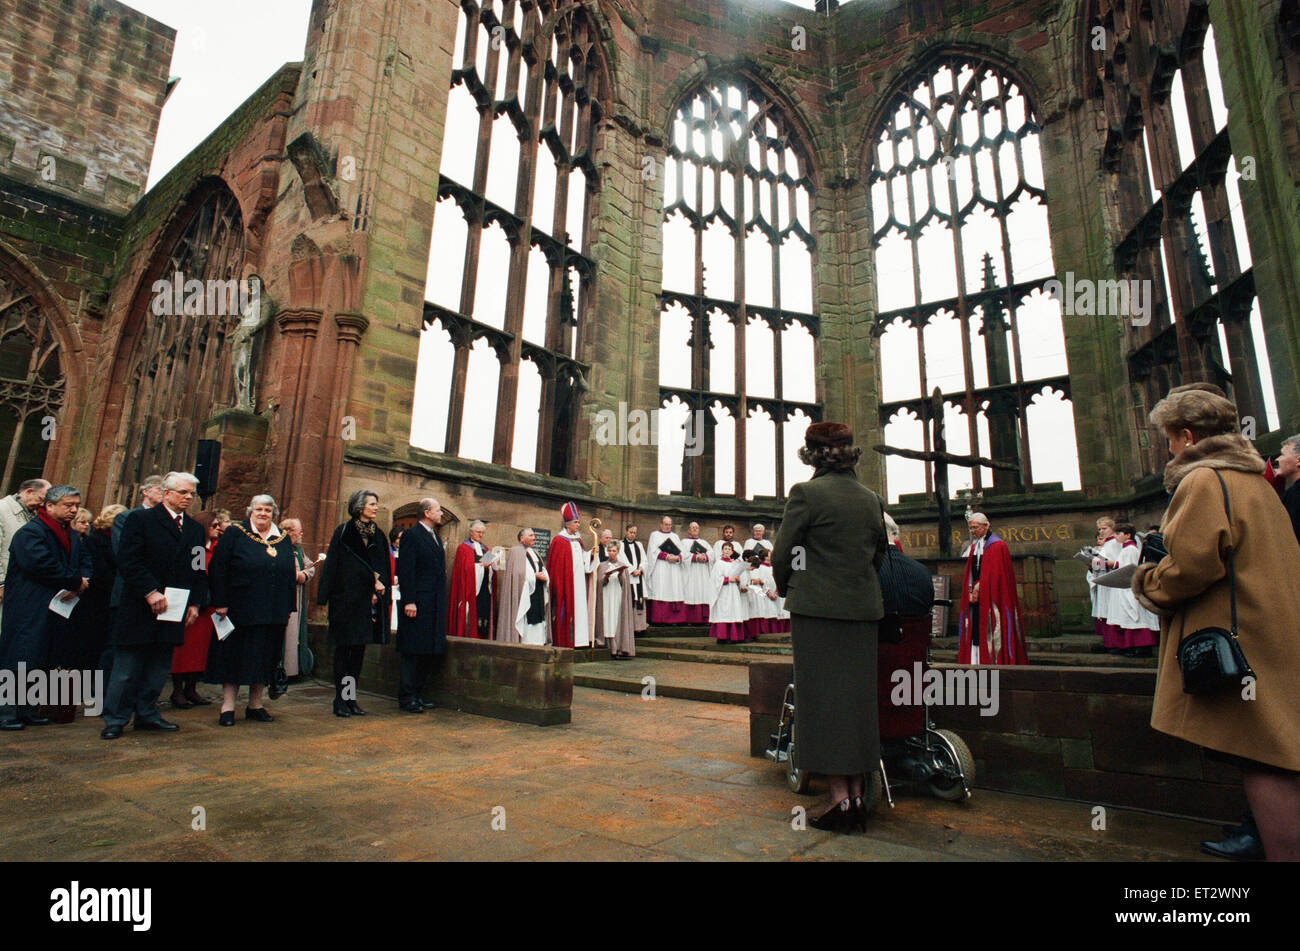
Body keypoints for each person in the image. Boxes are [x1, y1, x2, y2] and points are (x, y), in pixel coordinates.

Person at [1132, 384, 1300, 861]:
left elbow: (1192, 565)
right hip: (1273, 629)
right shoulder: (1255, 481)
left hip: (1242, 640)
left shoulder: (1205, 479)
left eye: (1169, 439)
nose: (1169, 449)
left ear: (1187, 436)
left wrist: (1147, 583)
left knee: (1263, 756)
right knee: (1281, 752)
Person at [773, 422, 888, 833]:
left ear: (812, 455)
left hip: (818, 613)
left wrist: (794, 585)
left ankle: (840, 800)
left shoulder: (807, 494)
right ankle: (855, 796)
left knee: (823, 702)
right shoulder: (871, 499)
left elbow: (784, 554)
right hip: (862, 612)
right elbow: (878, 556)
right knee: (856, 703)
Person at [101, 472, 208, 739]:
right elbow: (129, 560)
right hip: (140, 605)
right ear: (166, 493)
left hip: (174, 606)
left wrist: (196, 603)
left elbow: (198, 568)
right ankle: (116, 718)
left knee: (158, 666)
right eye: (183, 492)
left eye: (191, 493)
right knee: (127, 667)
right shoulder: (140, 520)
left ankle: (147, 713)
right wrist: (150, 591)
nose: (188, 497)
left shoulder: (194, 529)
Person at [0, 485, 92, 730]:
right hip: (28, 604)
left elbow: (84, 559)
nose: (74, 510)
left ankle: (28, 710)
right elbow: (40, 564)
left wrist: (83, 580)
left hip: (56, 603)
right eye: (68, 505)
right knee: (20, 656)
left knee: (42, 656)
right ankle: (6, 712)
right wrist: (74, 581)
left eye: (77, 505)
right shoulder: (31, 532)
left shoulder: (69, 533)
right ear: (49, 506)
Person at [205, 495, 297, 726]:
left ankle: (255, 705)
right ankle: (228, 707)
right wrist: (220, 601)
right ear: (250, 511)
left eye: (268, 510)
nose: (263, 513)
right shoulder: (235, 534)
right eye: (259, 509)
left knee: (265, 657)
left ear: (273, 513)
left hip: (273, 609)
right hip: (240, 608)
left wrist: (288, 606)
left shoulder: (282, 538)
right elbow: (218, 568)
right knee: (234, 657)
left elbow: (289, 574)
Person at [317, 489, 392, 718]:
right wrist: (323, 597)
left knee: (358, 652)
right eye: (372, 504)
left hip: (367, 602)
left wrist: (380, 589)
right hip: (346, 601)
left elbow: (383, 566)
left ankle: (350, 699)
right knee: (344, 651)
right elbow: (332, 565)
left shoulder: (378, 535)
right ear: (360, 507)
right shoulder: (344, 532)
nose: (376, 507)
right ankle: (340, 700)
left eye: (376, 503)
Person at [396, 498, 448, 712]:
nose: (441, 514)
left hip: (433, 602)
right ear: (427, 513)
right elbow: (406, 570)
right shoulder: (412, 535)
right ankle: (407, 697)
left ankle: (418, 693)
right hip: (418, 601)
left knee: (427, 650)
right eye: (438, 510)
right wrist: (409, 600)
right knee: (413, 650)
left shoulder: (435, 536)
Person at [956, 513, 1027, 665]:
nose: (972, 531)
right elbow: (971, 573)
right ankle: (975, 661)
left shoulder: (998, 546)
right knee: (975, 630)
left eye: (975, 528)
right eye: (971, 528)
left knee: (992, 628)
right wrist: (970, 590)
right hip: (977, 601)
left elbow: (997, 575)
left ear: (986, 526)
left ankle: (995, 662)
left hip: (993, 598)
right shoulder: (974, 547)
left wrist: (980, 586)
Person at [67, 503, 125, 685]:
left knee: (102, 644)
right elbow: (98, 571)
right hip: (95, 599)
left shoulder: (119, 540)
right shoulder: (96, 541)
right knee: (89, 643)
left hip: (109, 600)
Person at [168, 510, 219, 708]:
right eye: (214, 525)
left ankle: (191, 688)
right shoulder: (196, 548)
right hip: (192, 604)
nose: (218, 529)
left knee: (201, 650)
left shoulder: (217, 547)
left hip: (209, 606)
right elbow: (194, 574)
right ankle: (177, 690)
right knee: (183, 651)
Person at [0, 478, 50, 631]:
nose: (42, 504)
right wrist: (1, 582)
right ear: (28, 492)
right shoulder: (2, 510)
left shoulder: (31, 515)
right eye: (41, 498)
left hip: (16, 586)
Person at [545, 502, 595, 648]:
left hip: (578, 584)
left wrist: (591, 554)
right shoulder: (559, 541)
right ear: (567, 524)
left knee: (579, 610)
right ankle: (564, 640)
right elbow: (555, 567)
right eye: (575, 522)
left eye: (578, 522)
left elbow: (583, 559)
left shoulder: (578, 540)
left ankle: (579, 641)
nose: (578, 525)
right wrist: (560, 584)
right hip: (565, 584)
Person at [1104, 523, 1157, 658]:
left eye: (1118, 533)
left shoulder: (1131, 549)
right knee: (1128, 618)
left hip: (1129, 588)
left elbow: (1131, 568)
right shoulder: (1125, 549)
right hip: (1124, 587)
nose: (1115, 536)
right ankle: (1133, 646)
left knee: (1135, 617)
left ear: (1127, 535)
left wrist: (1113, 564)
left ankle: (1142, 648)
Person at [278, 516, 317, 686]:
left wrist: (304, 575)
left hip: (297, 597)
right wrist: (292, 574)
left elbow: (310, 566)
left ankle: (291, 670)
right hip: (281, 598)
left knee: (294, 635)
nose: (301, 534)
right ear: (288, 532)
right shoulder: (277, 547)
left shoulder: (299, 551)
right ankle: (278, 670)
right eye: (299, 531)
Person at [447, 520, 500, 639]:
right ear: (471, 532)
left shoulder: (486, 549)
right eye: (478, 532)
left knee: (484, 618)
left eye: (482, 532)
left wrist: (491, 567)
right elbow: (463, 570)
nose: (480, 535)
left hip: (484, 590)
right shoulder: (463, 548)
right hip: (470, 590)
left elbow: (492, 568)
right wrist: (480, 567)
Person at [496, 527, 549, 646]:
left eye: (534, 535)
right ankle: (525, 643)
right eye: (530, 535)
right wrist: (534, 576)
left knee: (538, 618)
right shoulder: (516, 552)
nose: (534, 538)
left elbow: (542, 569)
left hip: (537, 591)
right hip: (524, 593)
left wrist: (545, 577)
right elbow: (518, 573)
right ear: (521, 538)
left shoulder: (535, 553)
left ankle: (538, 643)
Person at [593, 540, 636, 658]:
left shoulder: (623, 566)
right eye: (610, 551)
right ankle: (606, 643)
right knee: (606, 616)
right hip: (606, 594)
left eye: (614, 551)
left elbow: (625, 584)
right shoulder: (602, 566)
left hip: (617, 594)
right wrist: (605, 577)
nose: (611, 553)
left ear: (617, 552)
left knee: (615, 617)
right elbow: (599, 583)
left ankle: (618, 645)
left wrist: (620, 573)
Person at [1091, 516, 1124, 653]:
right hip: (1104, 582)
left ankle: (1117, 644)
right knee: (1106, 613)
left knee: (1113, 613)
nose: (1101, 531)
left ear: (1112, 528)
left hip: (1113, 583)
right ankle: (1110, 643)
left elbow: (1119, 562)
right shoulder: (1107, 544)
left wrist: (1102, 563)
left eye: (1104, 528)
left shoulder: (1116, 542)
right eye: (1099, 529)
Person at [645, 516, 686, 624]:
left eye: (669, 524)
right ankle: (659, 619)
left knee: (674, 589)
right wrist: (666, 556)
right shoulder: (655, 535)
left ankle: (675, 619)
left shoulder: (675, 536)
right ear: (661, 524)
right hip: (660, 567)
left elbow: (683, 552)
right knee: (661, 589)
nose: (668, 526)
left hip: (674, 568)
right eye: (666, 524)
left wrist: (677, 557)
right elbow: (652, 551)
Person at [708, 541, 749, 643]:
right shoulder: (718, 563)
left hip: (733, 591)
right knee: (724, 612)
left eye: (729, 549)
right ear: (722, 551)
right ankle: (722, 637)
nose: (727, 551)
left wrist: (738, 580)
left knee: (733, 612)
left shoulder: (735, 564)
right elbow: (714, 579)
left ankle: (733, 637)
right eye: (725, 549)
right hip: (723, 591)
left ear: (732, 552)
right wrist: (727, 579)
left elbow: (739, 576)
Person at [680, 521, 714, 623]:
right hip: (690, 572)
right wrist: (695, 557)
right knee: (690, 592)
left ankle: (703, 618)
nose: (695, 529)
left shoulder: (704, 542)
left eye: (696, 528)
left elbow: (712, 554)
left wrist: (705, 556)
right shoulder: (683, 542)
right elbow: (682, 555)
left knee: (703, 592)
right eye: (692, 527)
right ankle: (690, 618)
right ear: (688, 530)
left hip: (703, 572)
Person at [620, 525, 648, 632]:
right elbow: (622, 559)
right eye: (630, 532)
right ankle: (629, 627)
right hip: (629, 577)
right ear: (626, 531)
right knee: (630, 599)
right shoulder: (621, 544)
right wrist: (632, 570)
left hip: (638, 577)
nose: (632, 534)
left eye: (634, 533)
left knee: (639, 601)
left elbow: (644, 560)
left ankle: (639, 626)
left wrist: (640, 569)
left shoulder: (639, 545)